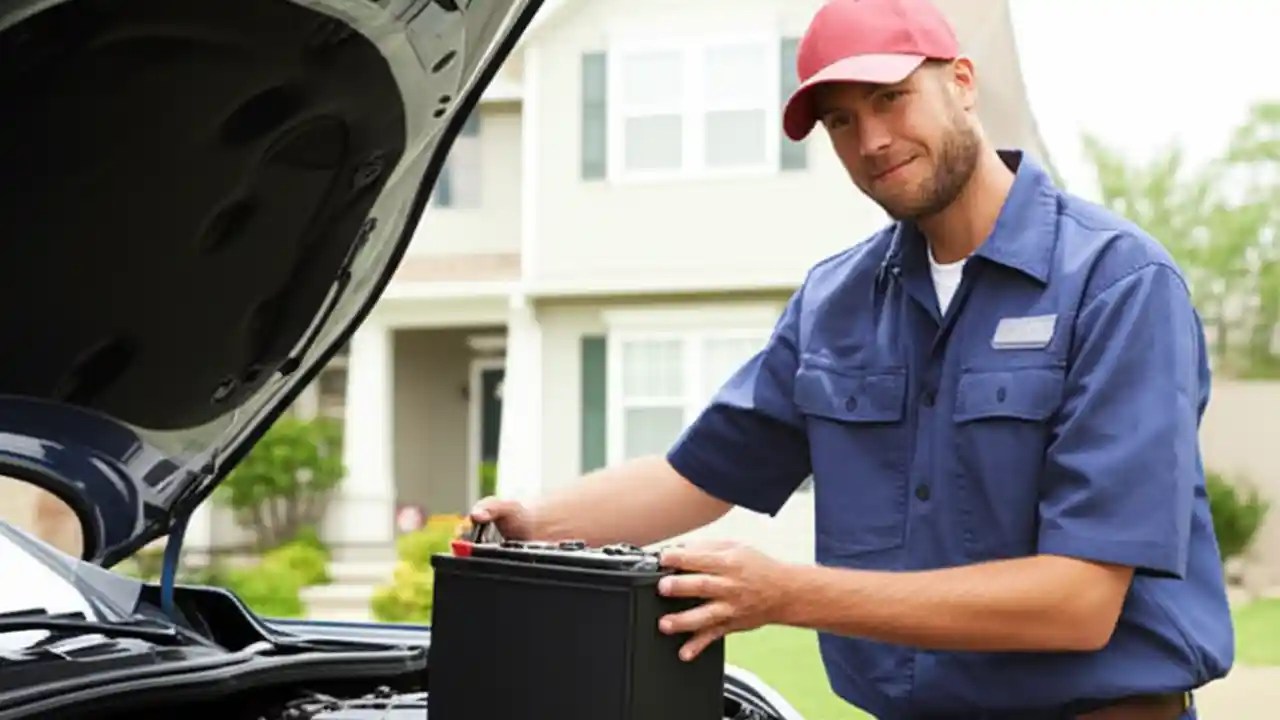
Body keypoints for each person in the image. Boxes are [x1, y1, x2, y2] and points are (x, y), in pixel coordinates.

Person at [469, 0, 1234, 716]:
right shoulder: (836, 302)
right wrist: (532, 525)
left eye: (891, 98)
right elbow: (696, 476)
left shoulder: (1118, 284)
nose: (871, 141)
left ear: (961, 84)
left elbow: (1078, 602)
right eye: (841, 121)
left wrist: (787, 593)